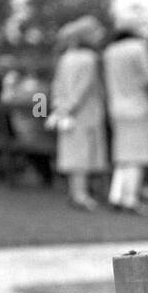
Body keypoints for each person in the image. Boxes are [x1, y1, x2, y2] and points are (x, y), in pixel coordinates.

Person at [50, 15, 109, 210]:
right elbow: (83, 88)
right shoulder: (90, 59)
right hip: (85, 113)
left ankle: (76, 193)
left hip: (68, 112)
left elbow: (57, 84)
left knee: (73, 153)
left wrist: (60, 107)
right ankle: (81, 195)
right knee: (83, 155)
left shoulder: (66, 57)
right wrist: (69, 107)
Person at [102, 23, 148, 213]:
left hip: (116, 107)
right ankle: (130, 199)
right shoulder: (139, 47)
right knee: (136, 155)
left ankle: (116, 195)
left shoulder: (110, 50)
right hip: (138, 106)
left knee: (122, 154)